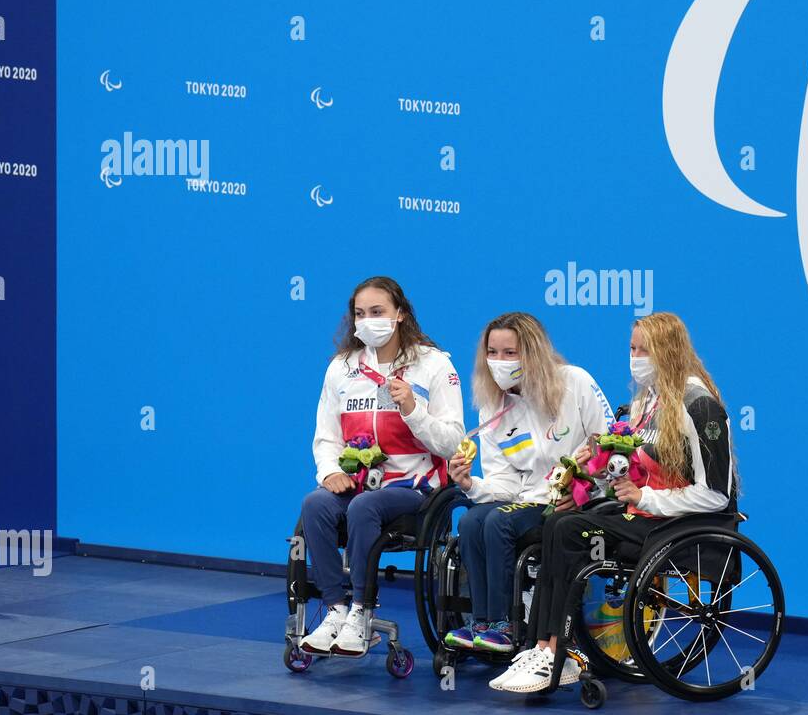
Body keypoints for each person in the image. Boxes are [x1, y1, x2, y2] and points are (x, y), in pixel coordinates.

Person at [490, 311, 738, 693]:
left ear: (669, 351)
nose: (635, 358)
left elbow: (717, 494)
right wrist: (595, 470)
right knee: (557, 523)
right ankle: (541, 646)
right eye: (632, 348)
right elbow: (635, 472)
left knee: (569, 531)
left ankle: (558, 650)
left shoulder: (699, 406)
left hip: (681, 524)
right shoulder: (647, 402)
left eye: (644, 350)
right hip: (645, 516)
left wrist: (645, 497)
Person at [299, 276, 465, 655]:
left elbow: (454, 442)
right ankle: (336, 609)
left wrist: (413, 409)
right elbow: (326, 436)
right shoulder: (342, 368)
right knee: (315, 504)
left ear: (400, 314)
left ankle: (362, 611)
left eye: (377, 311)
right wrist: (330, 471)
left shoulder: (433, 365)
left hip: (415, 489)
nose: (367, 321)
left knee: (364, 506)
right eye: (360, 314)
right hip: (360, 484)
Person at [445, 312, 613, 654]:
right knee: (471, 520)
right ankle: (482, 623)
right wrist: (470, 485)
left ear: (532, 352)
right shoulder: (494, 409)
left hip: (575, 503)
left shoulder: (575, 383)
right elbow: (504, 483)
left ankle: (506, 626)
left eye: (510, 353)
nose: (499, 361)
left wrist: (585, 490)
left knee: (498, 522)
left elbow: (610, 447)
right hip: (529, 500)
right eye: (492, 353)